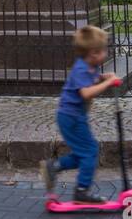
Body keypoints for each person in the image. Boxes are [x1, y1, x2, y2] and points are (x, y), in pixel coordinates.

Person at [40, 26, 118, 204]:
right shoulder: (81, 69)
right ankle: (81, 191)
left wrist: (104, 78)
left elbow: (92, 80)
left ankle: (54, 166)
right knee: (90, 151)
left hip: (74, 116)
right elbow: (86, 93)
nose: (106, 53)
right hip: (71, 118)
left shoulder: (90, 66)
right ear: (93, 53)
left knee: (84, 153)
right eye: (103, 50)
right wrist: (108, 84)